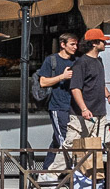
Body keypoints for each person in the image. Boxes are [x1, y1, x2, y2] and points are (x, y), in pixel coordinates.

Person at [65, 28, 110, 150]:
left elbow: (99, 83)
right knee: (70, 149)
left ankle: (94, 170)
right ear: (94, 43)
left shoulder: (99, 61)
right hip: (82, 116)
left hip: (99, 114)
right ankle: (56, 170)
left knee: (99, 149)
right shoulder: (81, 63)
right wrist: (84, 109)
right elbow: (75, 88)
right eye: (102, 41)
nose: (106, 43)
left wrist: (108, 95)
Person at [33, 32, 78, 171]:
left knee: (57, 141)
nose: (75, 47)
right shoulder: (51, 60)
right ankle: (67, 172)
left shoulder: (76, 61)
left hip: (73, 107)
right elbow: (43, 82)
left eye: (76, 44)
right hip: (58, 106)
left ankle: (46, 171)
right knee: (64, 140)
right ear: (63, 45)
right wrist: (62, 76)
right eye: (72, 44)